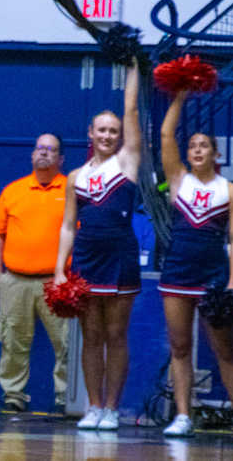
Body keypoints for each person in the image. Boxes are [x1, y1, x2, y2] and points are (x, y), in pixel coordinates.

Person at [157, 90, 233, 441]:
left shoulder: (231, 191)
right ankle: (184, 415)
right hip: (177, 273)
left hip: (214, 277)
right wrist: (181, 96)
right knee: (180, 347)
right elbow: (165, 136)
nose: (197, 150)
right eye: (193, 146)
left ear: (216, 154)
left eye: (204, 146)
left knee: (226, 350)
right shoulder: (177, 181)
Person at [53, 60, 141, 432]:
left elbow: (132, 111)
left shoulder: (127, 162)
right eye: (101, 129)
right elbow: (68, 226)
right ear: (90, 132)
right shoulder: (77, 176)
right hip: (87, 259)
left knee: (116, 334)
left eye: (113, 130)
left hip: (120, 256)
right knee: (90, 335)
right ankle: (93, 405)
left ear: (121, 136)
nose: (107, 135)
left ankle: (112, 409)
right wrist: (60, 269)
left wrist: (133, 69)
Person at [0, 134, 69, 413]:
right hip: (16, 281)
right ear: (32, 155)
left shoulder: (72, 191)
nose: (44, 153)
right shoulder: (13, 191)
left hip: (56, 282)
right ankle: (13, 396)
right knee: (12, 342)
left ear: (61, 159)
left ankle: (64, 398)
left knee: (66, 343)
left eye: (51, 150)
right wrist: (0, 279)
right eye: (40, 148)